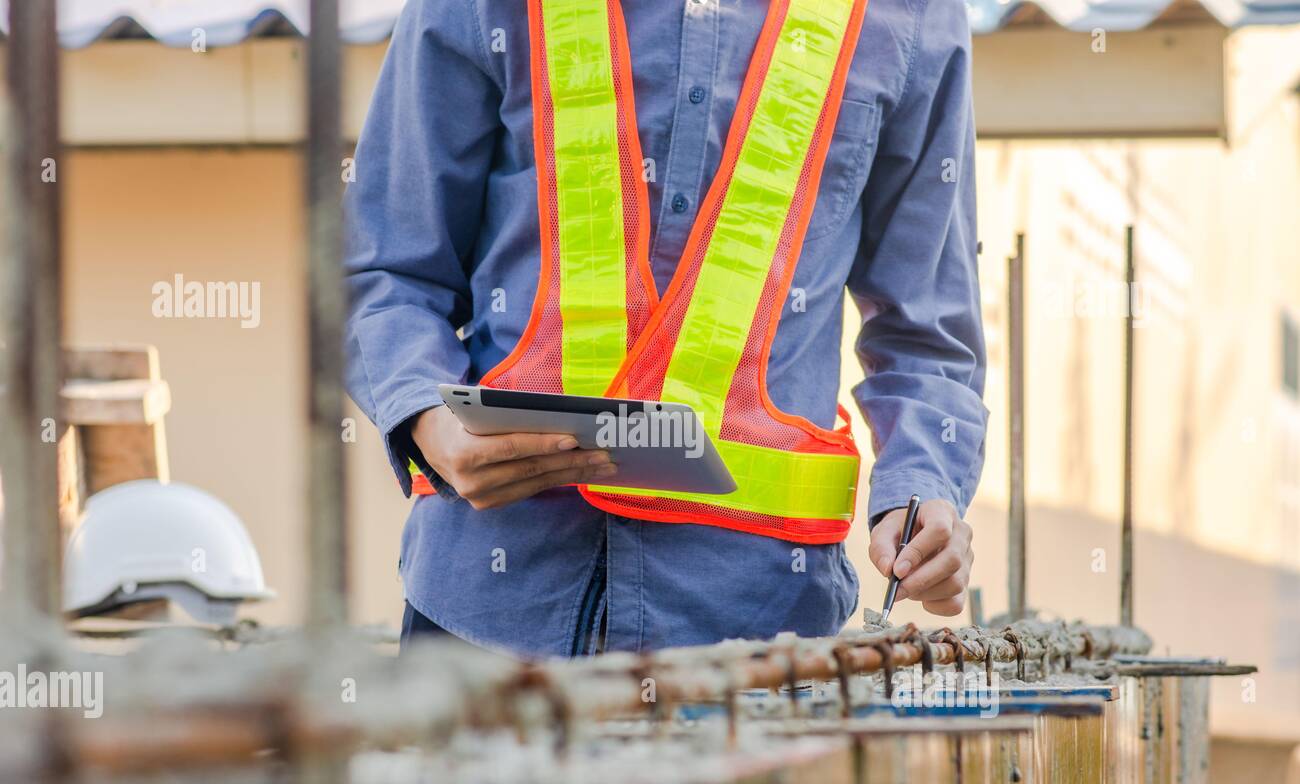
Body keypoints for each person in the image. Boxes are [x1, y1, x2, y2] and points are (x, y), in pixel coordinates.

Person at [345, 0, 986, 657]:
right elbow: (386, 269)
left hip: (762, 637)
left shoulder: (912, 14)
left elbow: (926, 337)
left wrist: (921, 493)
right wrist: (430, 423)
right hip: (484, 613)